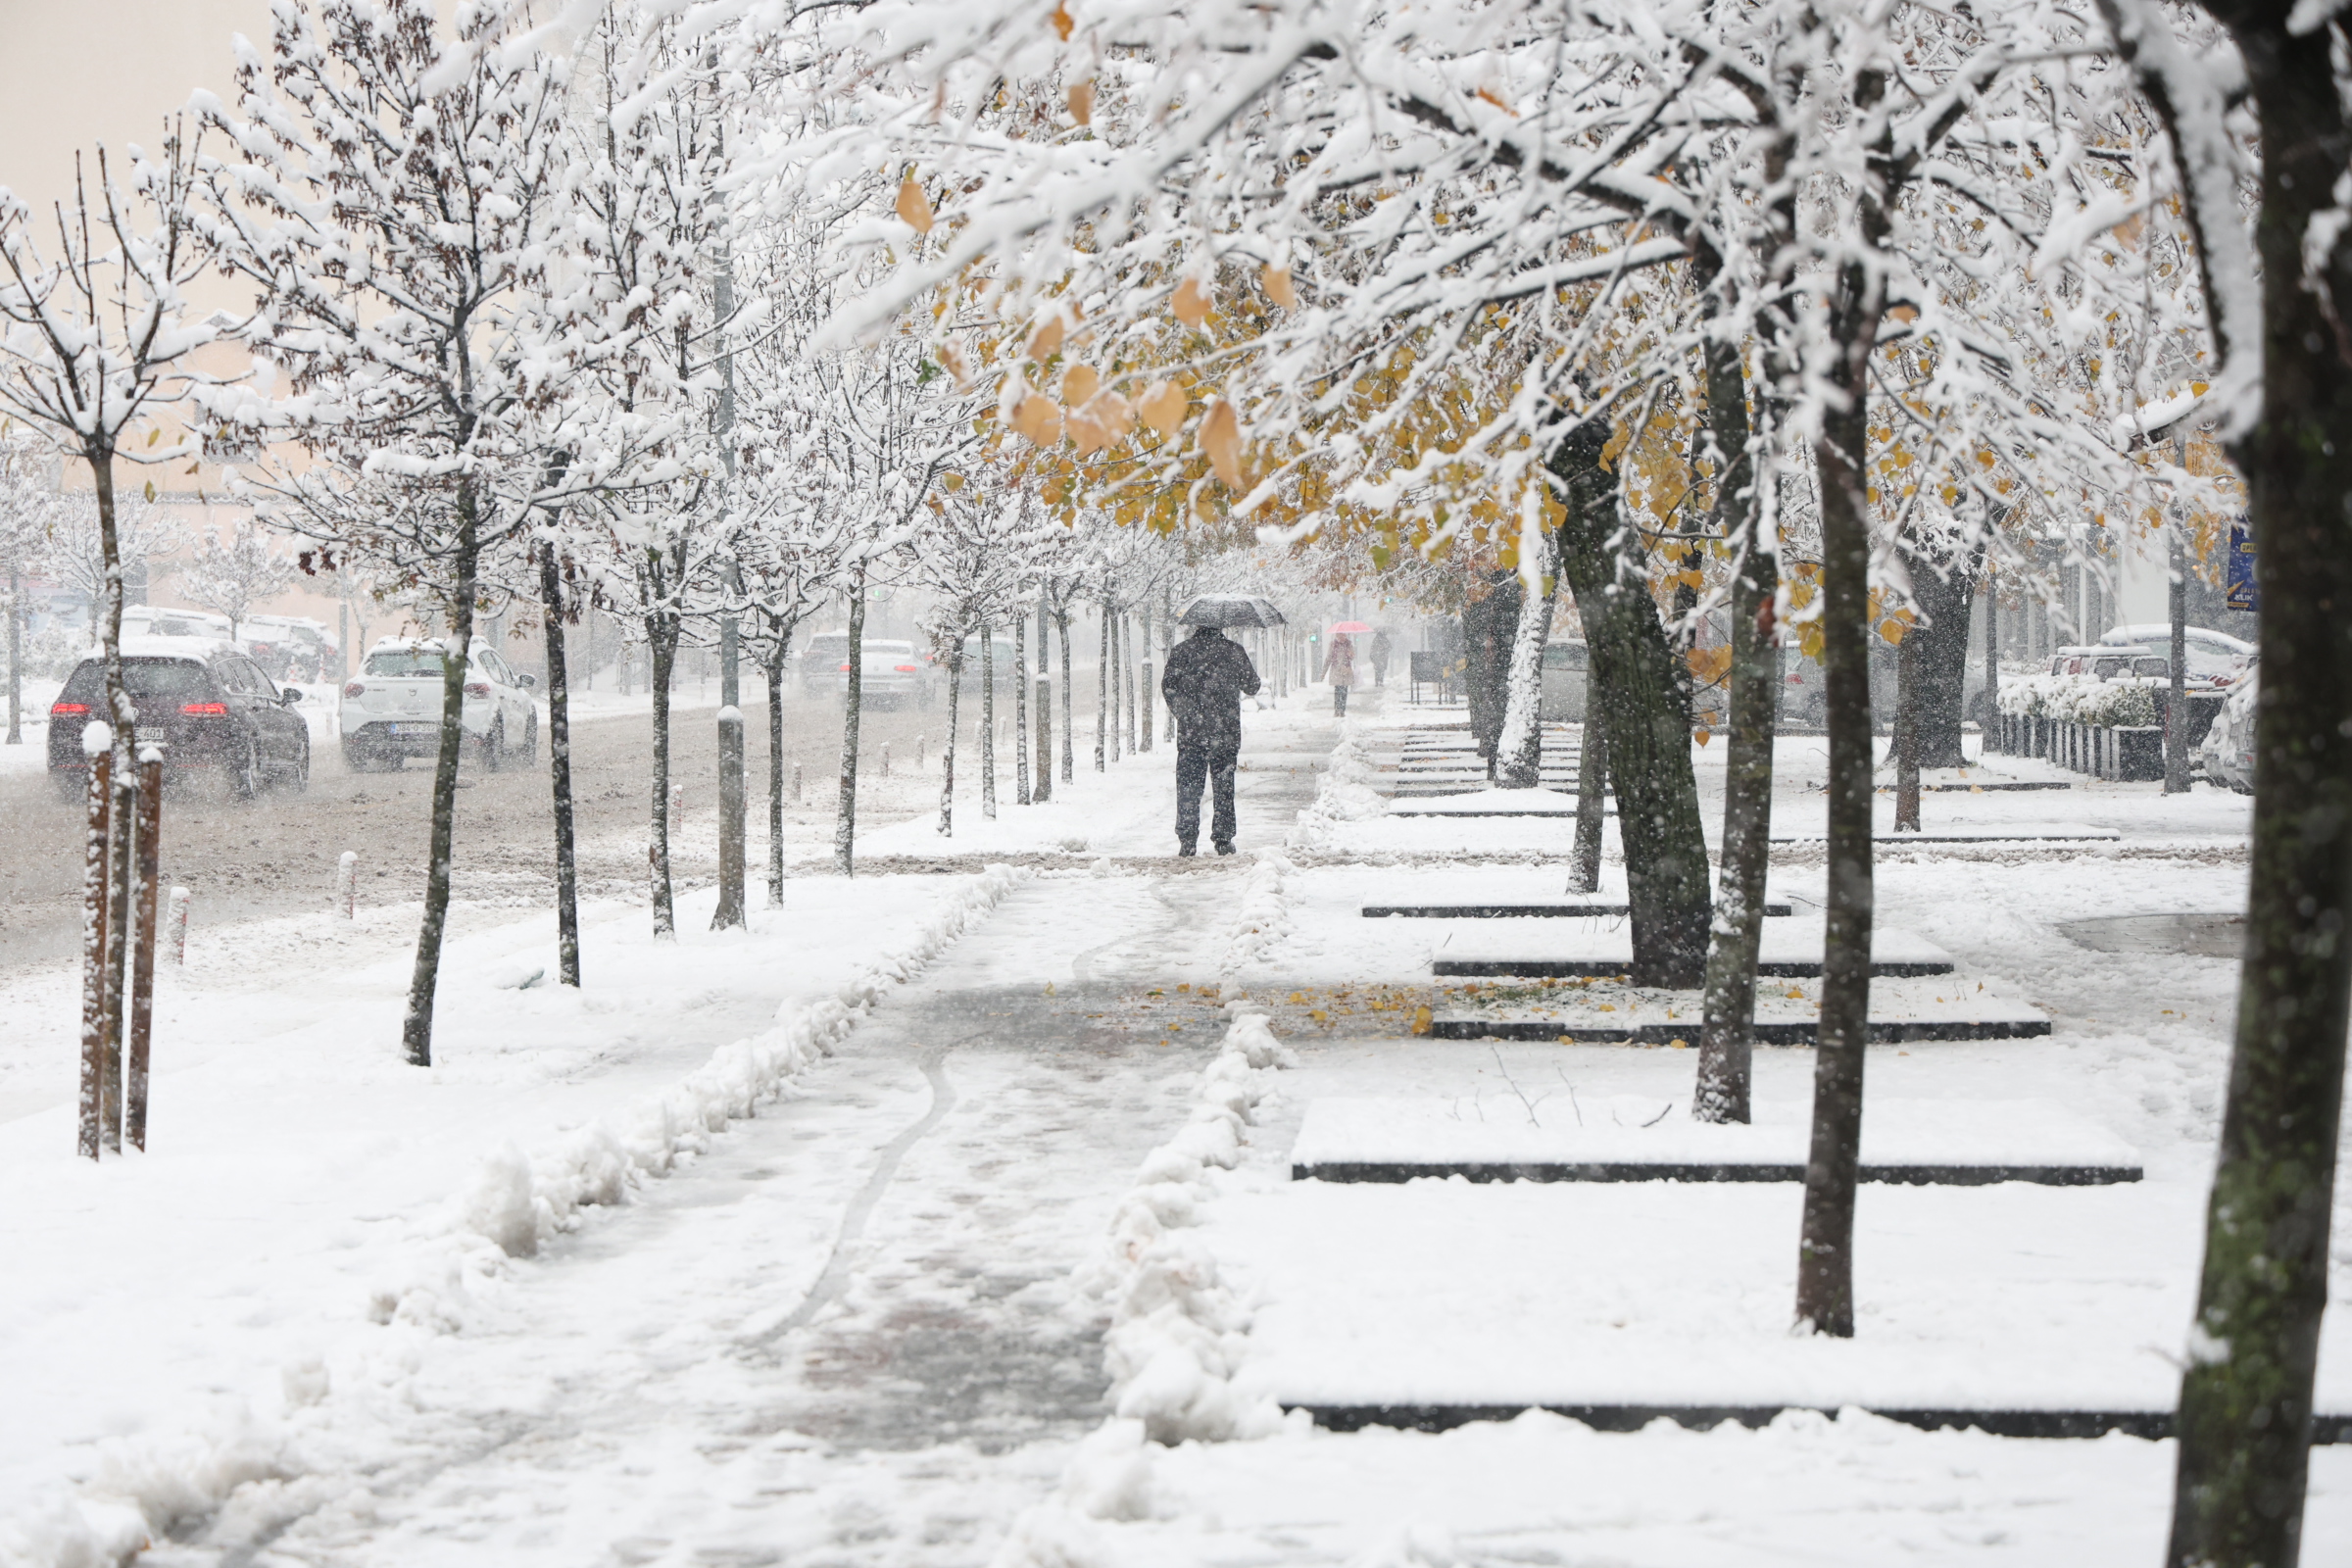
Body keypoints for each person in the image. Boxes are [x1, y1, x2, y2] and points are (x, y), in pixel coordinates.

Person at [1160, 622, 1261, 856]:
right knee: (1224, 786)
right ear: (1221, 625)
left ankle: (1187, 839)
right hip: (1224, 733)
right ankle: (1223, 839)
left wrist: (1184, 713)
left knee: (1188, 787)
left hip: (1191, 733)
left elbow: (1168, 687)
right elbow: (1253, 686)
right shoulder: (1233, 651)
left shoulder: (1182, 651)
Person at [1324, 631, 1357, 716]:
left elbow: (1353, 656)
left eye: (1343, 635)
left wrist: (1351, 654)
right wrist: (1324, 672)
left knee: (1344, 691)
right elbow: (1328, 658)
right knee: (1338, 690)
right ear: (1337, 636)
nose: (1342, 637)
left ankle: (1342, 710)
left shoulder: (1349, 645)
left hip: (1346, 671)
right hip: (1336, 671)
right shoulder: (1333, 645)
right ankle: (1337, 709)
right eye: (1340, 635)